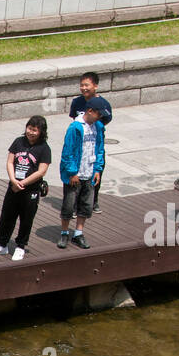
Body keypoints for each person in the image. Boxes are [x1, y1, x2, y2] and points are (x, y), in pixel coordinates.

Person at [0, 116, 51, 262]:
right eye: (29, 128)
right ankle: (2, 244)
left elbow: (41, 171)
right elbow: (10, 161)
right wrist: (13, 180)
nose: (31, 132)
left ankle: (21, 246)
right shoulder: (18, 142)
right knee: (7, 216)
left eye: (35, 130)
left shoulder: (44, 148)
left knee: (26, 218)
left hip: (31, 190)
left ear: (41, 131)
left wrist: (23, 183)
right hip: (13, 186)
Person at [57, 97, 109, 251]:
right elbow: (68, 151)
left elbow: (100, 149)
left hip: (90, 172)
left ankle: (78, 233)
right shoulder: (75, 127)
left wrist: (98, 169)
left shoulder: (98, 127)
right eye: (98, 114)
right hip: (75, 174)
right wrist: (72, 172)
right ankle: (65, 232)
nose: (100, 118)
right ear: (90, 111)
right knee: (68, 205)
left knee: (86, 205)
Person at [69, 72, 112, 213]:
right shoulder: (76, 102)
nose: (83, 88)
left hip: (95, 144)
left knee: (96, 173)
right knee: (78, 173)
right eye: (81, 85)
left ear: (95, 86)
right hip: (80, 145)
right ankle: (74, 204)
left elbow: (105, 121)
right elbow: (74, 120)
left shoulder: (104, 104)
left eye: (87, 85)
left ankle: (93, 201)